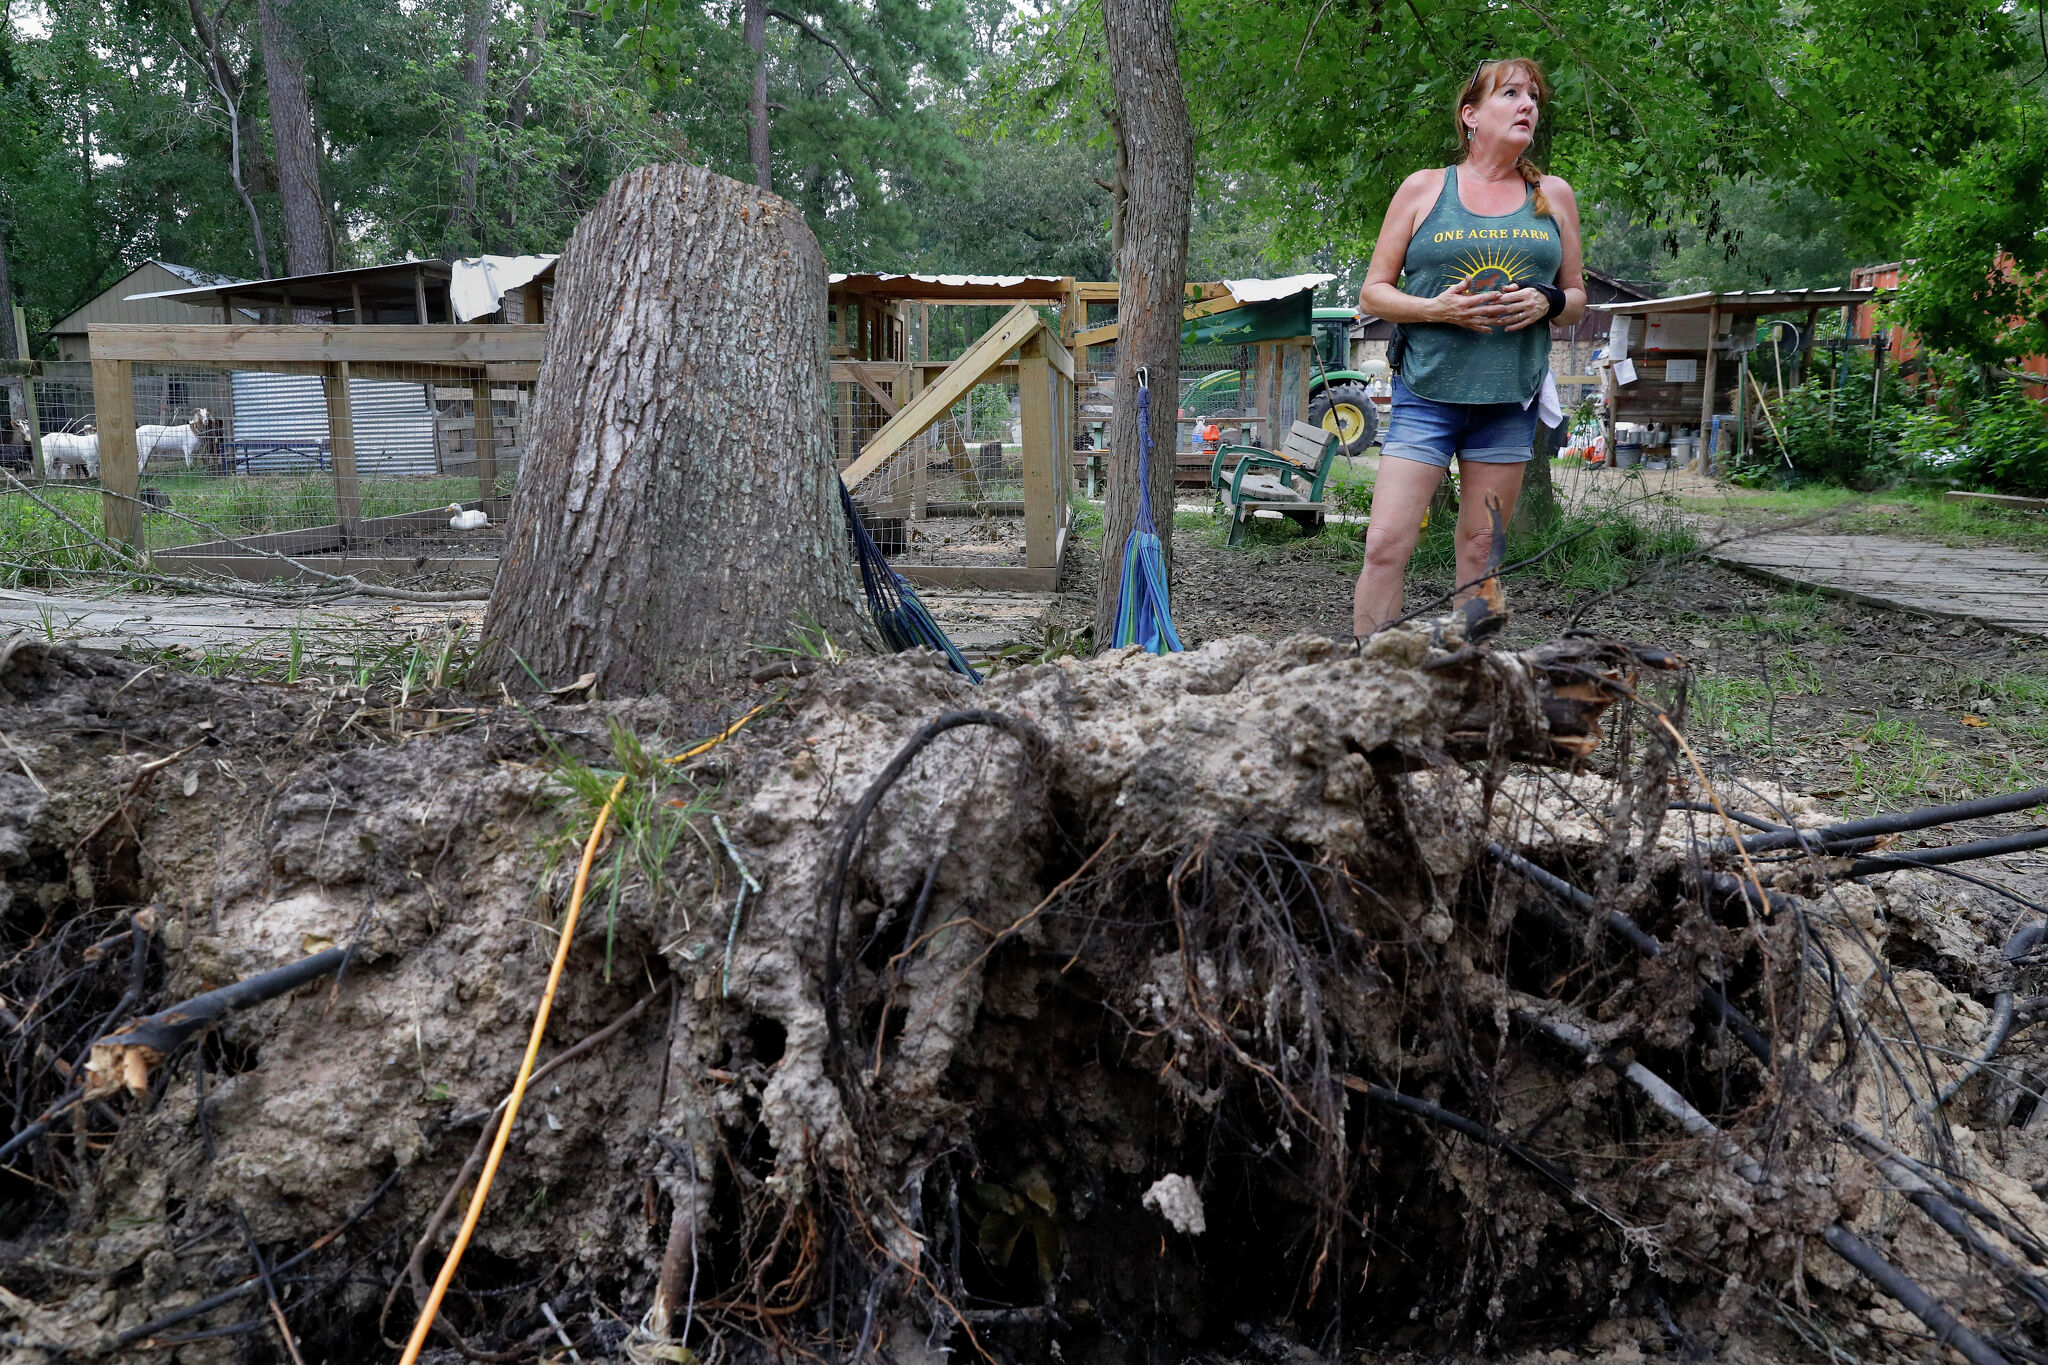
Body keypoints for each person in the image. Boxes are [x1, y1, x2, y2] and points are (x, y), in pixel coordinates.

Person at [1352, 57, 1586, 635]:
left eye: (1533, 96)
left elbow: (1576, 294)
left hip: (1508, 401)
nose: (1528, 104)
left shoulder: (1552, 195)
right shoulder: (1426, 188)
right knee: (1384, 545)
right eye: (1510, 93)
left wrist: (1548, 303)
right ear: (1471, 115)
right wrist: (1440, 309)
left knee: (1482, 552)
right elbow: (1373, 293)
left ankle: (1467, 687)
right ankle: (1364, 682)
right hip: (1426, 394)